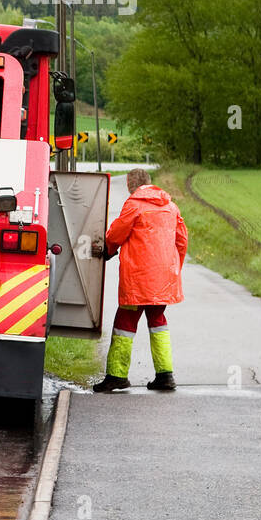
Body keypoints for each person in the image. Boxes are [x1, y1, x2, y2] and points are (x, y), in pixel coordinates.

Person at [94, 168, 188, 392]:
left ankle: (117, 375)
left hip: (138, 279)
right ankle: (165, 375)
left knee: (125, 322)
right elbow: (182, 241)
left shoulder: (134, 205)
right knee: (157, 321)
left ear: (130, 184)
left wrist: (108, 249)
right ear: (149, 183)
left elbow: (117, 233)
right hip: (164, 278)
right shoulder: (171, 207)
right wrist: (173, 270)